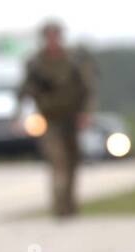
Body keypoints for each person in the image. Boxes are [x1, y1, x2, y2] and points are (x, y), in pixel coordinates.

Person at [17, 21, 93, 217]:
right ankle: (60, 207)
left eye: (55, 36)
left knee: (73, 162)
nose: (52, 40)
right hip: (50, 119)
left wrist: (85, 113)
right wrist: (18, 113)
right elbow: (24, 89)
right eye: (49, 36)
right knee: (57, 160)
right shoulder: (35, 63)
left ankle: (70, 203)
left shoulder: (73, 61)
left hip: (71, 117)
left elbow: (86, 89)